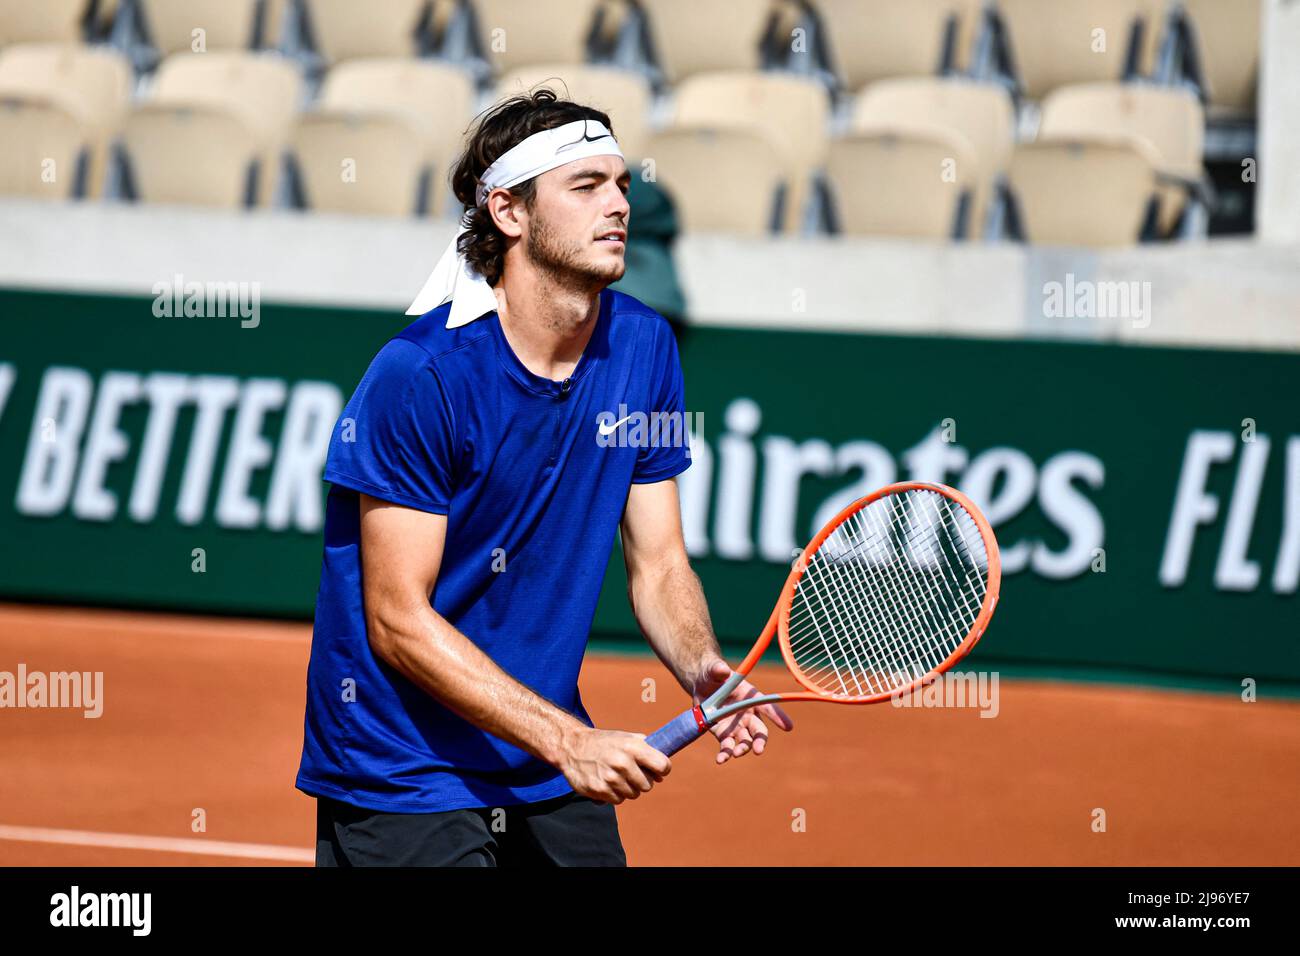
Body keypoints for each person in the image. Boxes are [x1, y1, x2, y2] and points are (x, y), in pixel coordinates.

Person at [296, 90, 793, 867]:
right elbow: (396, 619)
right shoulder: (422, 376)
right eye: (586, 186)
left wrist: (702, 668)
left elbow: (659, 563)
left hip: (538, 753)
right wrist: (570, 740)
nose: (618, 205)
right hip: (401, 762)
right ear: (509, 213)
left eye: (622, 184)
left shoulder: (644, 349)